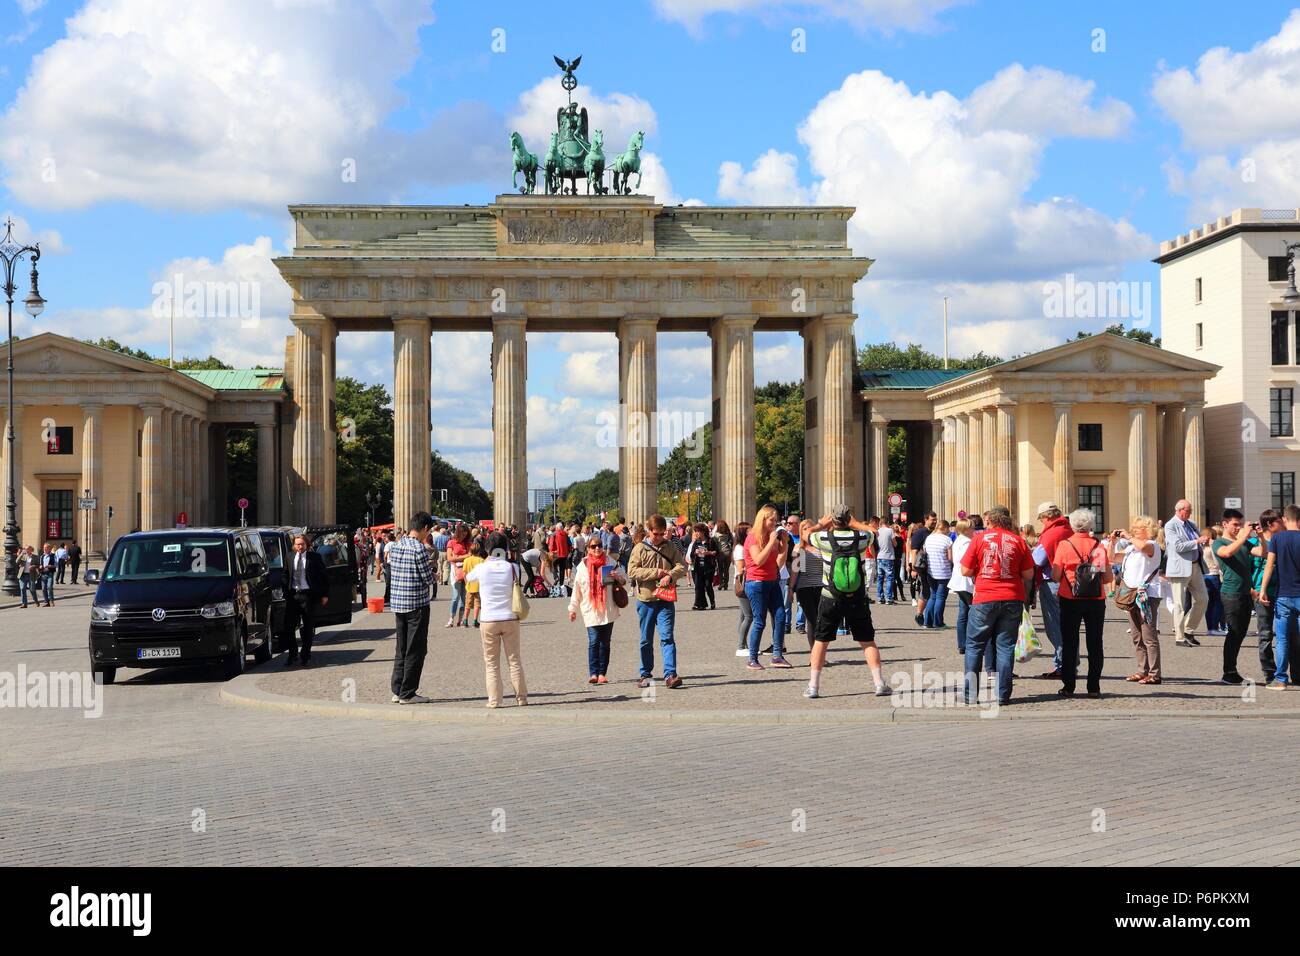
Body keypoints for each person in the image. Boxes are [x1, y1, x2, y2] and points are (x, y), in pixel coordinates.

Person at [802, 506, 888, 699]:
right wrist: (856, 523)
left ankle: (813, 686)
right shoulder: (861, 539)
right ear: (848, 518)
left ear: (833, 520)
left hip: (830, 596)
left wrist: (820, 524)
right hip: (857, 597)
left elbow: (805, 533)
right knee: (867, 640)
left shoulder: (823, 539)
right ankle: (879, 683)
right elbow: (875, 532)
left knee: (821, 641)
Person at [959, 506, 1035, 705]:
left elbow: (965, 570)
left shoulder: (979, 539)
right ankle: (1002, 695)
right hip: (1012, 597)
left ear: (990, 522)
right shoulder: (1018, 541)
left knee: (975, 646)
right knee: (1005, 647)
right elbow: (1028, 574)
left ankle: (970, 694)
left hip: (984, 597)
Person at [1050, 509, 1112, 698]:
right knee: (1095, 643)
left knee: (1070, 642)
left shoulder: (1064, 545)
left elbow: (1055, 575)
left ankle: (1069, 686)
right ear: (1091, 526)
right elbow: (1108, 577)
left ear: (1072, 525)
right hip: (1095, 600)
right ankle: (1093, 687)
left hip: (1070, 598)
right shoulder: (1098, 546)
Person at [467, 531, 528, 708]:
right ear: (506, 548)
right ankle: (521, 698)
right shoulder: (513, 568)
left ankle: (494, 700)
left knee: (492, 663)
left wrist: (485, 560)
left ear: (487, 548)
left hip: (488, 619)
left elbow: (468, 578)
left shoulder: (481, 567)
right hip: (510, 617)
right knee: (514, 660)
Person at [626, 514, 687, 689]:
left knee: (667, 637)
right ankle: (645, 674)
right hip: (646, 599)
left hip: (665, 599)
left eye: (662, 534)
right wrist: (657, 573)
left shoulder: (669, 547)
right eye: (656, 534)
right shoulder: (639, 549)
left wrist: (670, 575)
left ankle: (670, 674)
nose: (660, 537)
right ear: (649, 531)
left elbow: (682, 565)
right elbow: (632, 571)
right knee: (646, 639)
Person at [568, 535, 626, 684]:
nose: (597, 548)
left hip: (607, 608)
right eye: (593, 546)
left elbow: (625, 579)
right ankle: (593, 673)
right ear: (588, 549)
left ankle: (602, 673)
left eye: (599, 545)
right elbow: (577, 589)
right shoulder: (582, 567)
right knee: (594, 641)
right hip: (590, 609)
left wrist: (616, 576)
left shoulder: (610, 562)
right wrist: (572, 609)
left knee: (605, 642)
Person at [1114, 516, 1164, 685]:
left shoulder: (1153, 545)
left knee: (1149, 635)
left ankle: (1154, 673)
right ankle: (1142, 670)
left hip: (1147, 595)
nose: (1134, 530)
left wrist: (1129, 536)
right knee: (1137, 635)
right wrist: (1113, 541)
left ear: (1148, 530)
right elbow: (1113, 559)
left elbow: (1144, 547)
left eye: (1138, 528)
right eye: (1133, 527)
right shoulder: (1131, 548)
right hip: (1131, 594)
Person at [1257, 504, 1300, 689]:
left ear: (1285, 519)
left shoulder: (1277, 539)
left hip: (1283, 595)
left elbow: (1269, 565)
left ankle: (1281, 680)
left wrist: (1263, 589)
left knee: (1282, 640)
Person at [742, 505, 791, 670]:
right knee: (759, 621)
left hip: (772, 581)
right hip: (756, 583)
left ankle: (777, 656)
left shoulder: (772, 537)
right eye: (772, 520)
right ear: (763, 520)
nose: (775, 523)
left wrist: (784, 542)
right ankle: (752, 658)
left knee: (780, 617)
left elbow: (779, 560)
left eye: (776, 520)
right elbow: (758, 560)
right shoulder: (752, 538)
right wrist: (771, 541)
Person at [1213, 509, 1254, 684]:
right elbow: (1226, 553)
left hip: (1246, 593)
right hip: (1231, 593)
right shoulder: (1219, 542)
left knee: (1241, 633)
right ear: (1225, 524)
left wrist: (1259, 536)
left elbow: (1262, 552)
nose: (1238, 528)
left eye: (1240, 524)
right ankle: (1228, 671)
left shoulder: (1243, 543)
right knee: (1234, 632)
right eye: (1235, 524)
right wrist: (1244, 536)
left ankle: (1232, 669)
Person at [1032, 502, 1072, 680]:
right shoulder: (1068, 529)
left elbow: (1036, 560)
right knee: (1067, 625)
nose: (1041, 522)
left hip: (1052, 583)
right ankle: (1068, 663)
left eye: (1041, 519)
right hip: (1069, 582)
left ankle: (1063, 665)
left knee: (1055, 626)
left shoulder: (1051, 533)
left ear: (1047, 517)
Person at [1164, 499, 1210, 647]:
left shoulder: (1191, 524)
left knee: (1203, 599)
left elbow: (1196, 540)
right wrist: (1197, 542)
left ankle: (1188, 629)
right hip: (1179, 568)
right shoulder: (1170, 525)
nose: (1189, 513)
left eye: (1190, 510)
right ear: (1179, 510)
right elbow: (1178, 546)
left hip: (1195, 566)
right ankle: (1179, 637)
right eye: (1188, 510)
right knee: (1179, 603)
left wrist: (1202, 542)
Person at [1250, 510, 1288, 683]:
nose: (1285, 523)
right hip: (1261, 593)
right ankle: (1269, 673)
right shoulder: (1252, 543)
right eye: (1281, 521)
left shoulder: (1284, 541)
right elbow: (1246, 569)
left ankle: (1289, 671)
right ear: (1271, 525)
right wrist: (1252, 590)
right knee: (1265, 634)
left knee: (1287, 634)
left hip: (1283, 592)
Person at [283, 533, 330, 667]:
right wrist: (286, 590)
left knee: (308, 627)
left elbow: (323, 576)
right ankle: (292, 654)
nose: (300, 546)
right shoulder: (289, 556)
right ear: (294, 546)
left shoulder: (314, 558)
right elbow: (285, 574)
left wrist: (324, 594)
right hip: (293, 596)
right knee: (289, 627)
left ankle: (305, 655)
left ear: (307, 545)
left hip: (308, 595)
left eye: (302, 544)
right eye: (297, 544)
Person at [950, 519, 977, 657]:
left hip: (958, 580)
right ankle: (972, 643)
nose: (974, 530)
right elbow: (970, 562)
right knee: (973, 612)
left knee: (963, 612)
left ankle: (962, 644)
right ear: (966, 529)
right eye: (972, 528)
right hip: (966, 580)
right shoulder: (967, 542)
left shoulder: (958, 540)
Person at [922, 519, 953, 628]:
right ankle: (938, 622)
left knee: (932, 596)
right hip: (944, 572)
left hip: (931, 571)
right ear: (945, 528)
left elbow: (925, 553)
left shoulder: (929, 538)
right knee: (940, 597)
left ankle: (927, 622)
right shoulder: (947, 540)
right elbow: (950, 558)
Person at [732, 522, 752, 658]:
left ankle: (744, 644)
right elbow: (740, 569)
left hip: (742, 582)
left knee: (743, 615)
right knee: (749, 616)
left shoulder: (742, 546)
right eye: (750, 530)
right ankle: (741, 646)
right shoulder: (740, 548)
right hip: (742, 583)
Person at [686, 522, 718, 610]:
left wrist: (708, 553)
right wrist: (695, 552)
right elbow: (691, 554)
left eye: (698, 531)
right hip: (698, 567)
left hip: (708, 567)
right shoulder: (696, 542)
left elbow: (716, 552)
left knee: (708, 585)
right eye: (695, 531)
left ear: (703, 532)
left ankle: (712, 601)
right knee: (698, 586)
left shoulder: (711, 541)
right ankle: (699, 604)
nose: (696, 533)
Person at [446, 524, 470, 627]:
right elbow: (449, 558)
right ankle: (451, 618)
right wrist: (464, 557)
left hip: (466, 572)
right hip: (455, 572)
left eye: (466, 534)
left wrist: (457, 557)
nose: (464, 536)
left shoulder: (468, 543)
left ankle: (460, 619)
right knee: (455, 596)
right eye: (462, 534)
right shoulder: (451, 542)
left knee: (464, 598)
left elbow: (470, 556)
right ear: (458, 533)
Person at [1203, 526, 1225, 635]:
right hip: (1214, 575)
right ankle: (1214, 627)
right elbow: (1217, 562)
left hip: (1205, 576)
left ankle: (1210, 627)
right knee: (1217, 603)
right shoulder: (1212, 547)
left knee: (1209, 604)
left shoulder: (1201, 547)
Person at [461, 537, 487, 628]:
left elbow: (464, 573)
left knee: (467, 604)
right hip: (479, 586)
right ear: (479, 551)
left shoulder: (466, 560)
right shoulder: (482, 561)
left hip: (469, 585)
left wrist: (466, 582)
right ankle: (475, 620)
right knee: (477, 604)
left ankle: (465, 620)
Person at [875, 517, 897, 604]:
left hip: (879, 557)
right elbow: (895, 543)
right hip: (888, 557)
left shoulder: (877, 531)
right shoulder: (890, 531)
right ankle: (889, 598)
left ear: (881, 522)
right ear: (887, 522)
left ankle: (880, 598)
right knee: (889, 578)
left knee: (880, 578)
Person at [714, 520, 734, 591]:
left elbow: (714, 544)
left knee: (720, 569)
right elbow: (733, 542)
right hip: (728, 553)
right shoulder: (729, 534)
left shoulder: (716, 535)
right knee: (726, 570)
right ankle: (726, 584)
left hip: (720, 553)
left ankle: (721, 583)